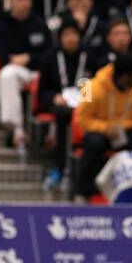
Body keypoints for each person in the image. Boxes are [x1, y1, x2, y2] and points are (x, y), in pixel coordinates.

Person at [72, 52, 132, 197]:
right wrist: (104, 128)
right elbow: (81, 119)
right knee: (94, 142)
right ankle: (85, 190)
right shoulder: (89, 87)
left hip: (124, 131)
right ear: (125, 76)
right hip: (100, 132)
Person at [0, 0, 52, 151]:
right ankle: (16, 129)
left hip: (39, 72)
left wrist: (29, 58)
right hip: (16, 71)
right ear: (11, 0)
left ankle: (52, 132)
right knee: (7, 74)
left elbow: (49, 55)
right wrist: (17, 61)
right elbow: (2, 56)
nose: (24, 3)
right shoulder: (2, 24)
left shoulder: (40, 24)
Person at [36, 18, 92, 187]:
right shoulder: (50, 57)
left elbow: (94, 81)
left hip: (83, 103)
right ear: (60, 38)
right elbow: (42, 92)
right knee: (63, 116)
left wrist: (85, 97)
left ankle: (79, 169)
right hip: (60, 104)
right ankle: (60, 166)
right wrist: (54, 97)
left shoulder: (87, 56)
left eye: (74, 34)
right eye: (66, 35)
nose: (70, 39)